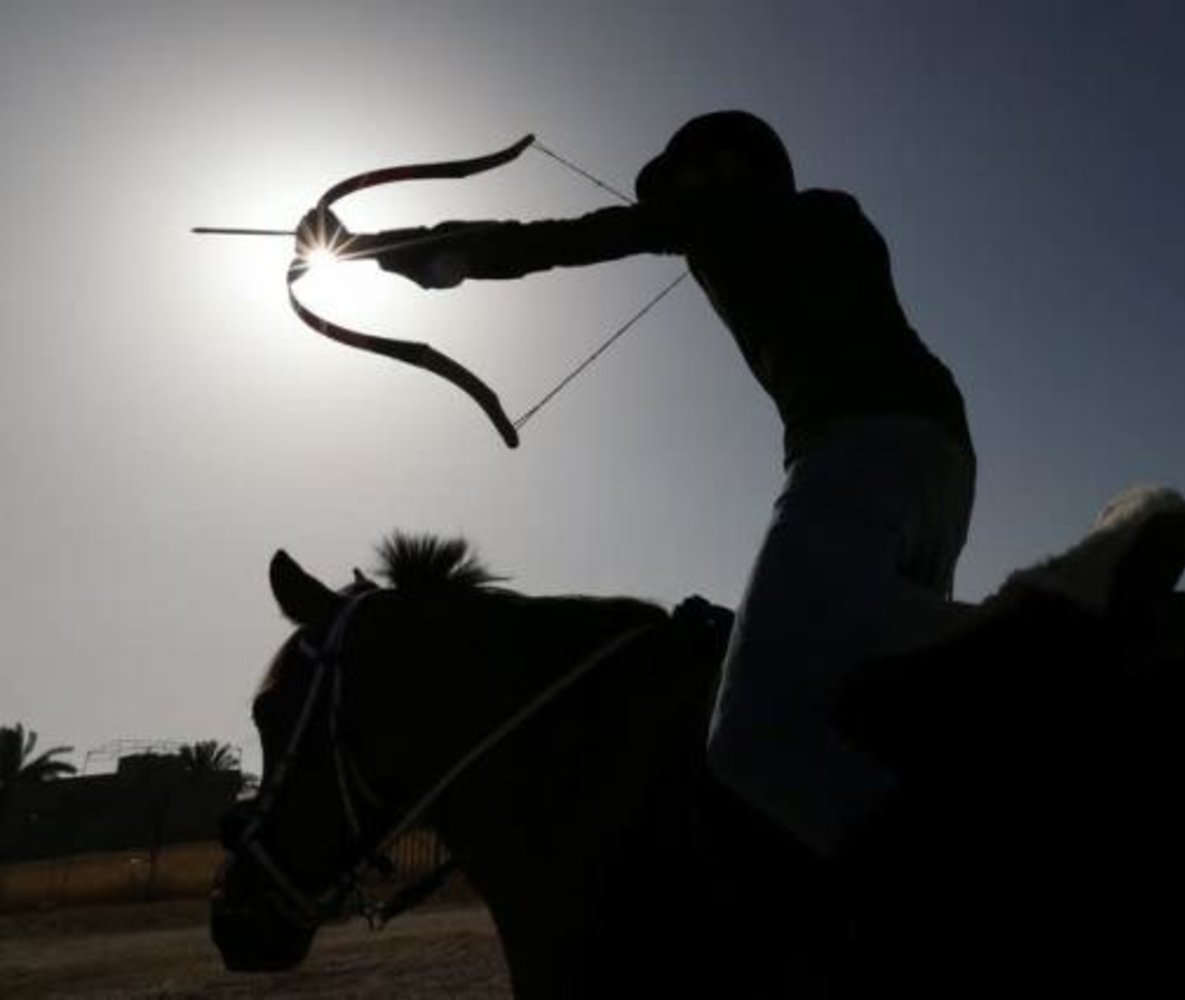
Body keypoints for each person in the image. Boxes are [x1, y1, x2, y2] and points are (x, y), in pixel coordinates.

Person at [311, 111, 975, 860]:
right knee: (882, 704)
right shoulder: (814, 223)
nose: (673, 200)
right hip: (939, 464)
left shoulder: (788, 216)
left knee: (753, 740)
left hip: (859, 454)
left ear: (730, 169)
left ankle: (930, 886)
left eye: (685, 179)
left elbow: (560, 241)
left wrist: (370, 246)